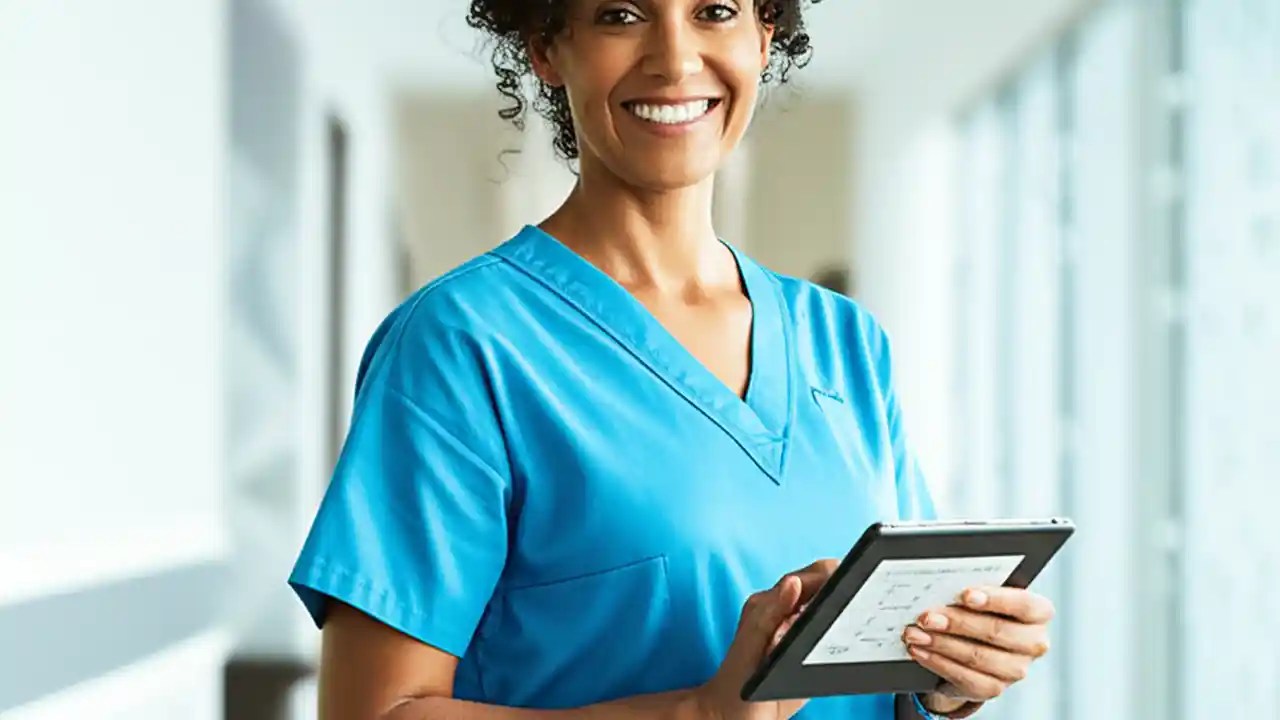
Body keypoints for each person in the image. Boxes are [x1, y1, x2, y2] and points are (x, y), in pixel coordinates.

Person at [288, 1, 1057, 719]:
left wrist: (949, 676)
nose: (674, 59)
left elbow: (888, 654)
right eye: (621, 14)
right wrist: (694, 711)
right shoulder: (461, 344)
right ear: (548, 48)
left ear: (764, 34)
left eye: (714, 11)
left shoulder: (846, 341)